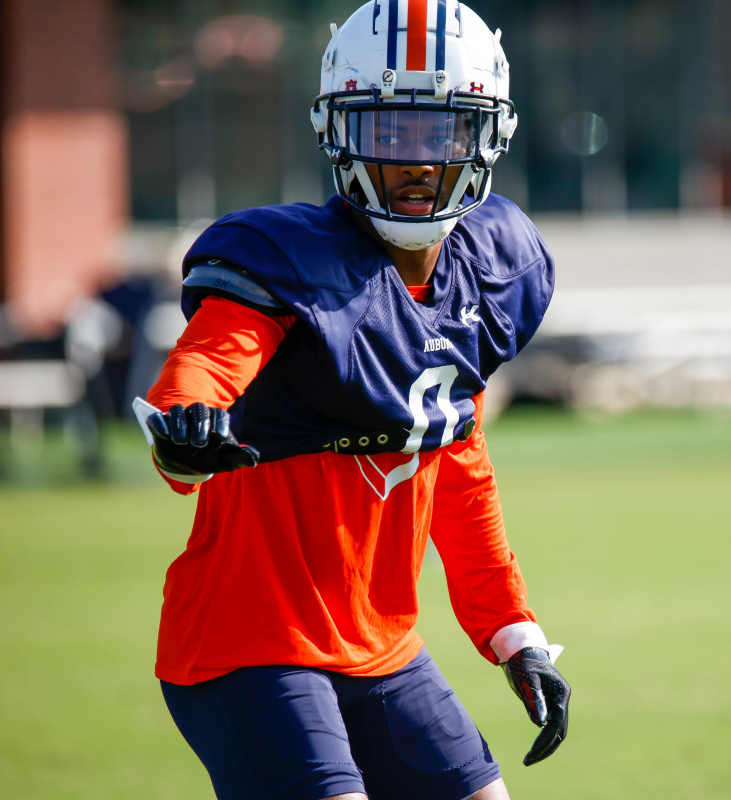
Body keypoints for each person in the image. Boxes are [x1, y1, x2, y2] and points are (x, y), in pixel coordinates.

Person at [131, 2, 569, 798]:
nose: (416, 162)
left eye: (444, 133)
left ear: (489, 137)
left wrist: (513, 633)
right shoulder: (290, 263)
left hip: (384, 648)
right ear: (339, 133)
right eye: (388, 131)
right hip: (249, 646)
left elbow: (458, 469)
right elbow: (203, 368)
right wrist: (184, 429)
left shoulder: (489, 275)